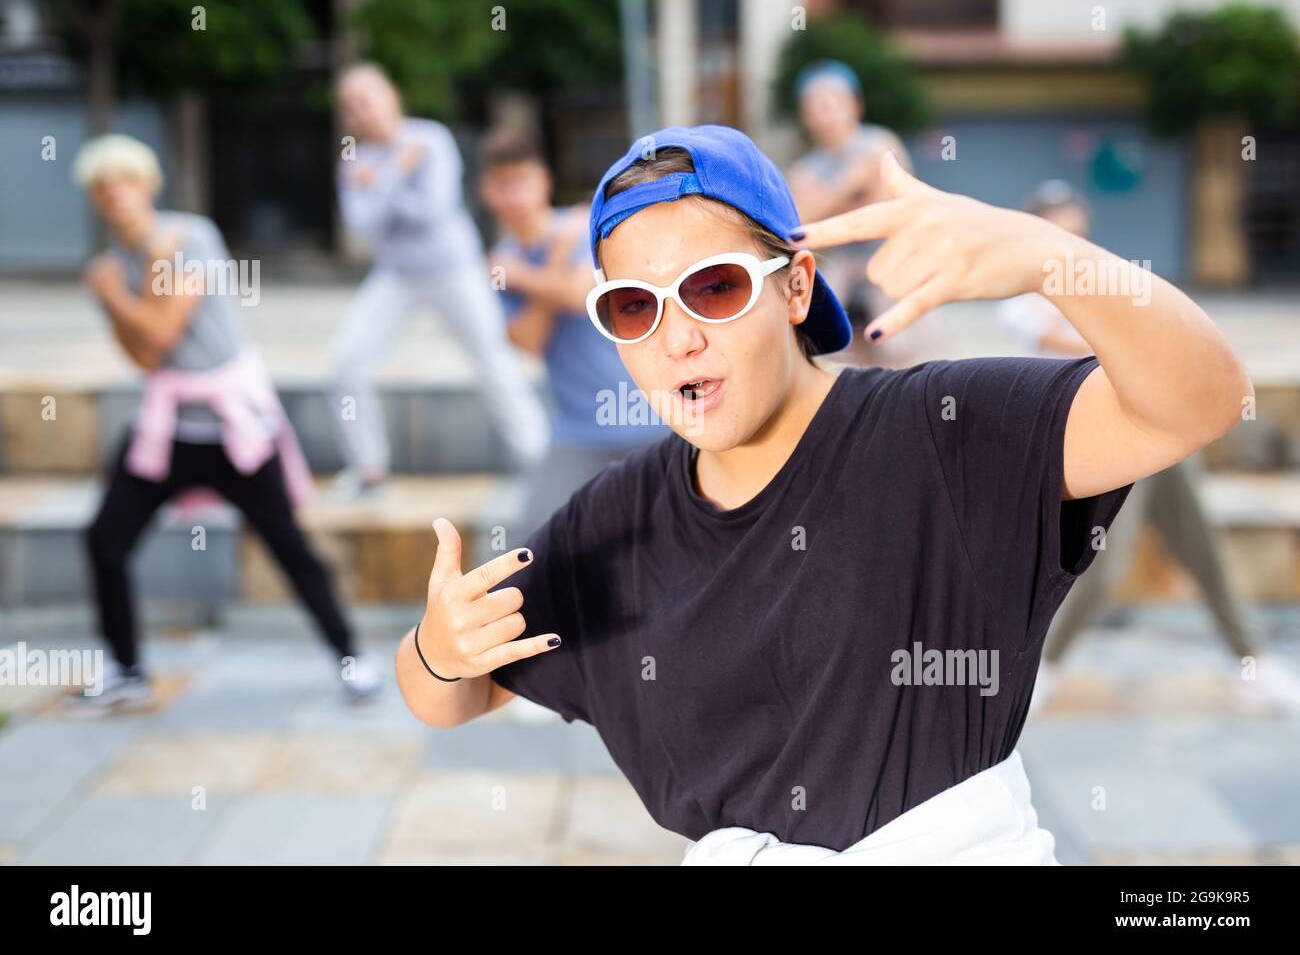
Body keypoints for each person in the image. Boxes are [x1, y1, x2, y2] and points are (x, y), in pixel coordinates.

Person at [395, 125, 1250, 864]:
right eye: (633, 307)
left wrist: (1051, 259)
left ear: (796, 285)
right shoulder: (614, 523)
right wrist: (438, 648)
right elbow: (449, 695)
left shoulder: (937, 432)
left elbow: (1199, 402)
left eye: (715, 286)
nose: (679, 337)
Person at [70, 134, 380, 715]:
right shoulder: (115, 267)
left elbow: (162, 332)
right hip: (168, 427)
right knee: (103, 538)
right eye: (103, 190)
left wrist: (115, 296)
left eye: (125, 183)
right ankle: (126, 668)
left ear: (147, 185)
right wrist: (116, 297)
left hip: (234, 429)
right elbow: (144, 358)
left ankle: (350, 657)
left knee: (289, 546)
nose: (116, 198)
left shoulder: (193, 239)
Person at [1000, 181, 1300, 718]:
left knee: (1203, 550)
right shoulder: (1027, 298)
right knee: (1104, 568)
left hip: (1158, 431)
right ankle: (1041, 668)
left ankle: (1251, 661)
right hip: (1105, 443)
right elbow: (1078, 343)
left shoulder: (1105, 285)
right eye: (1057, 231)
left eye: (1077, 231)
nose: (1070, 242)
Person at [329, 63, 549, 497]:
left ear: (391, 94)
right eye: (351, 105)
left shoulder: (430, 139)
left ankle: (539, 462)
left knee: (494, 361)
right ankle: (367, 469)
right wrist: (396, 175)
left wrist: (382, 183)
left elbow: (433, 209)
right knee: (346, 365)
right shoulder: (354, 157)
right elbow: (363, 225)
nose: (362, 110)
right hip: (395, 273)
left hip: (454, 269)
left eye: (367, 97)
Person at [477, 130, 670, 545]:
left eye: (521, 181)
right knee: (530, 544)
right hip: (578, 429)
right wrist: (554, 266)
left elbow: (587, 296)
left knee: (670, 541)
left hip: (649, 415)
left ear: (543, 180)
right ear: (486, 192)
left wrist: (526, 276)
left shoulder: (586, 227)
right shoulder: (505, 261)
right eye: (502, 184)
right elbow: (528, 340)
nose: (513, 195)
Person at [787, 59, 924, 367]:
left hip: (890, 269)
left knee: (902, 362)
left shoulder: (880, 143)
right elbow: (802, 225)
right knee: (840, 360)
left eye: (832, 103)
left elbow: (886, 208)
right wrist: (851, 186)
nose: (825, 115)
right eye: (815, 107)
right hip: (840, 275)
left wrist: (828, 202)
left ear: (855, 105)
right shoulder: (805, 168)